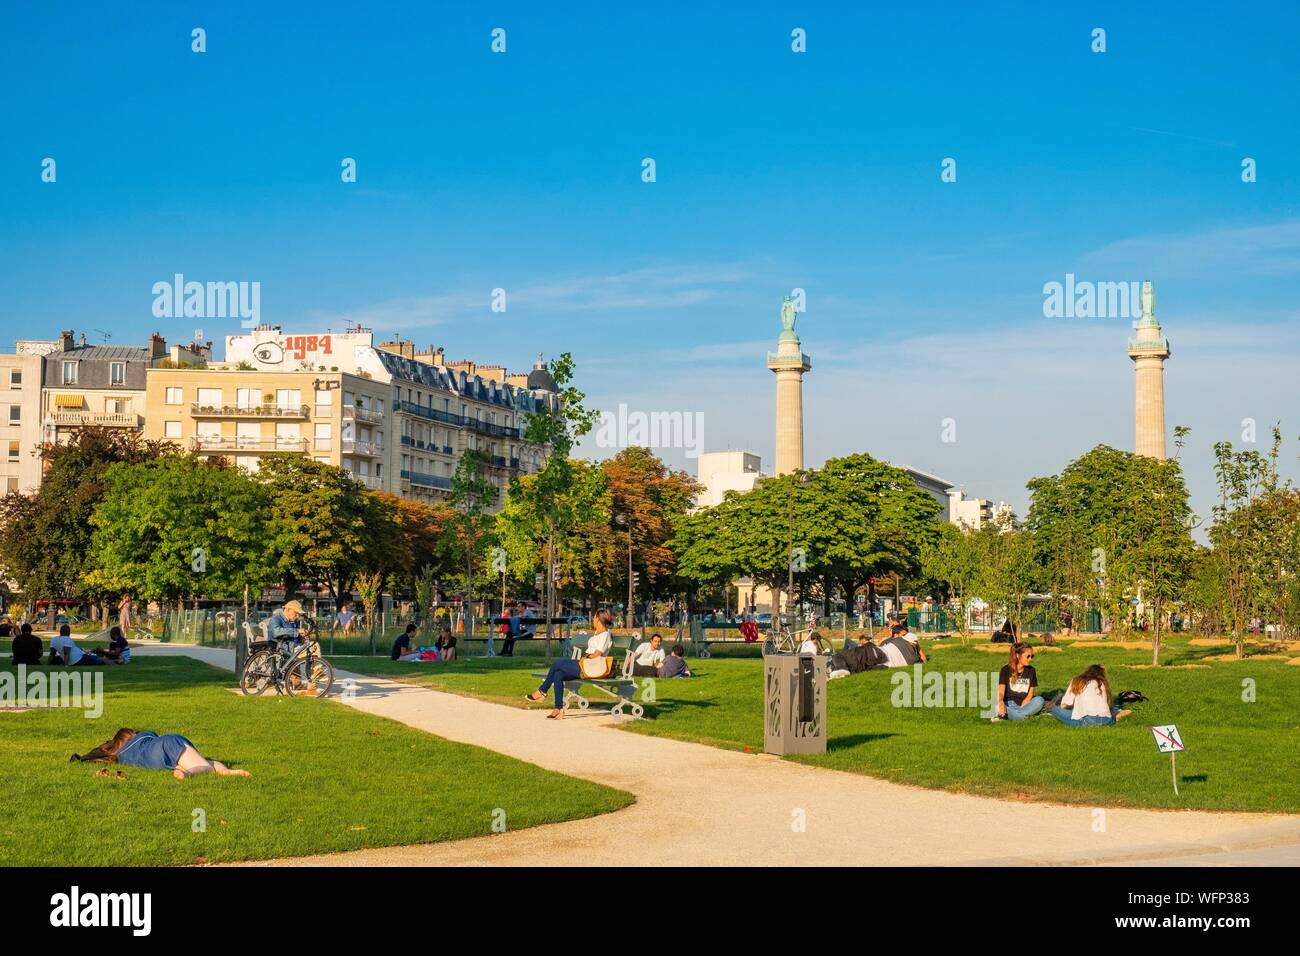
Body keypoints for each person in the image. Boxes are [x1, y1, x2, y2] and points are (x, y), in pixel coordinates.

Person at [525, 609, 614, 718]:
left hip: (592, 667)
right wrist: (584, 658)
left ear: (599, 619)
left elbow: (597, 654)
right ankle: (558, 709)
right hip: (586, 665)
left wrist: (585, 657)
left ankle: (542, 691)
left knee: (557, 663)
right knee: (558, 674)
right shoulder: (597, 633)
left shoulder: (605, 635)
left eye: (594, 617)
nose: (593, 619)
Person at [71, 728, 250, 781]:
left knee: (206, 762)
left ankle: (226, 771)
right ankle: (187, 773)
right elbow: (155, 737)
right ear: (129, 734)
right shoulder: (142, 736)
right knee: (203, 767)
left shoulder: (123, 758)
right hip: (167, 743)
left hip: (158, 758)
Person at [1044, 664, 1131, 727]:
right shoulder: (1103, 683)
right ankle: (1117, 715)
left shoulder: (1077, 681)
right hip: (1107, 721)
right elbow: (1109, 705)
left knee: (1055, 709)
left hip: (1088, 721)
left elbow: (1064, 705)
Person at [994, 643, 1043, 721]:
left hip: (1025, 705)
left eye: (1032, 656)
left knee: (1040, 700)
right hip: (1009, 704)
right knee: (997, 707)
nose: (1030, 659)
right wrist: (1001, 703)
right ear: (1018, 655)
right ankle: (1023, 716)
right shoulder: (1005, 670)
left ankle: (1016, 716)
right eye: (1028, 656)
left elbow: (1030, 695)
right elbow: (1001, 692)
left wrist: (1023, 707)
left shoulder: (1031, 670)